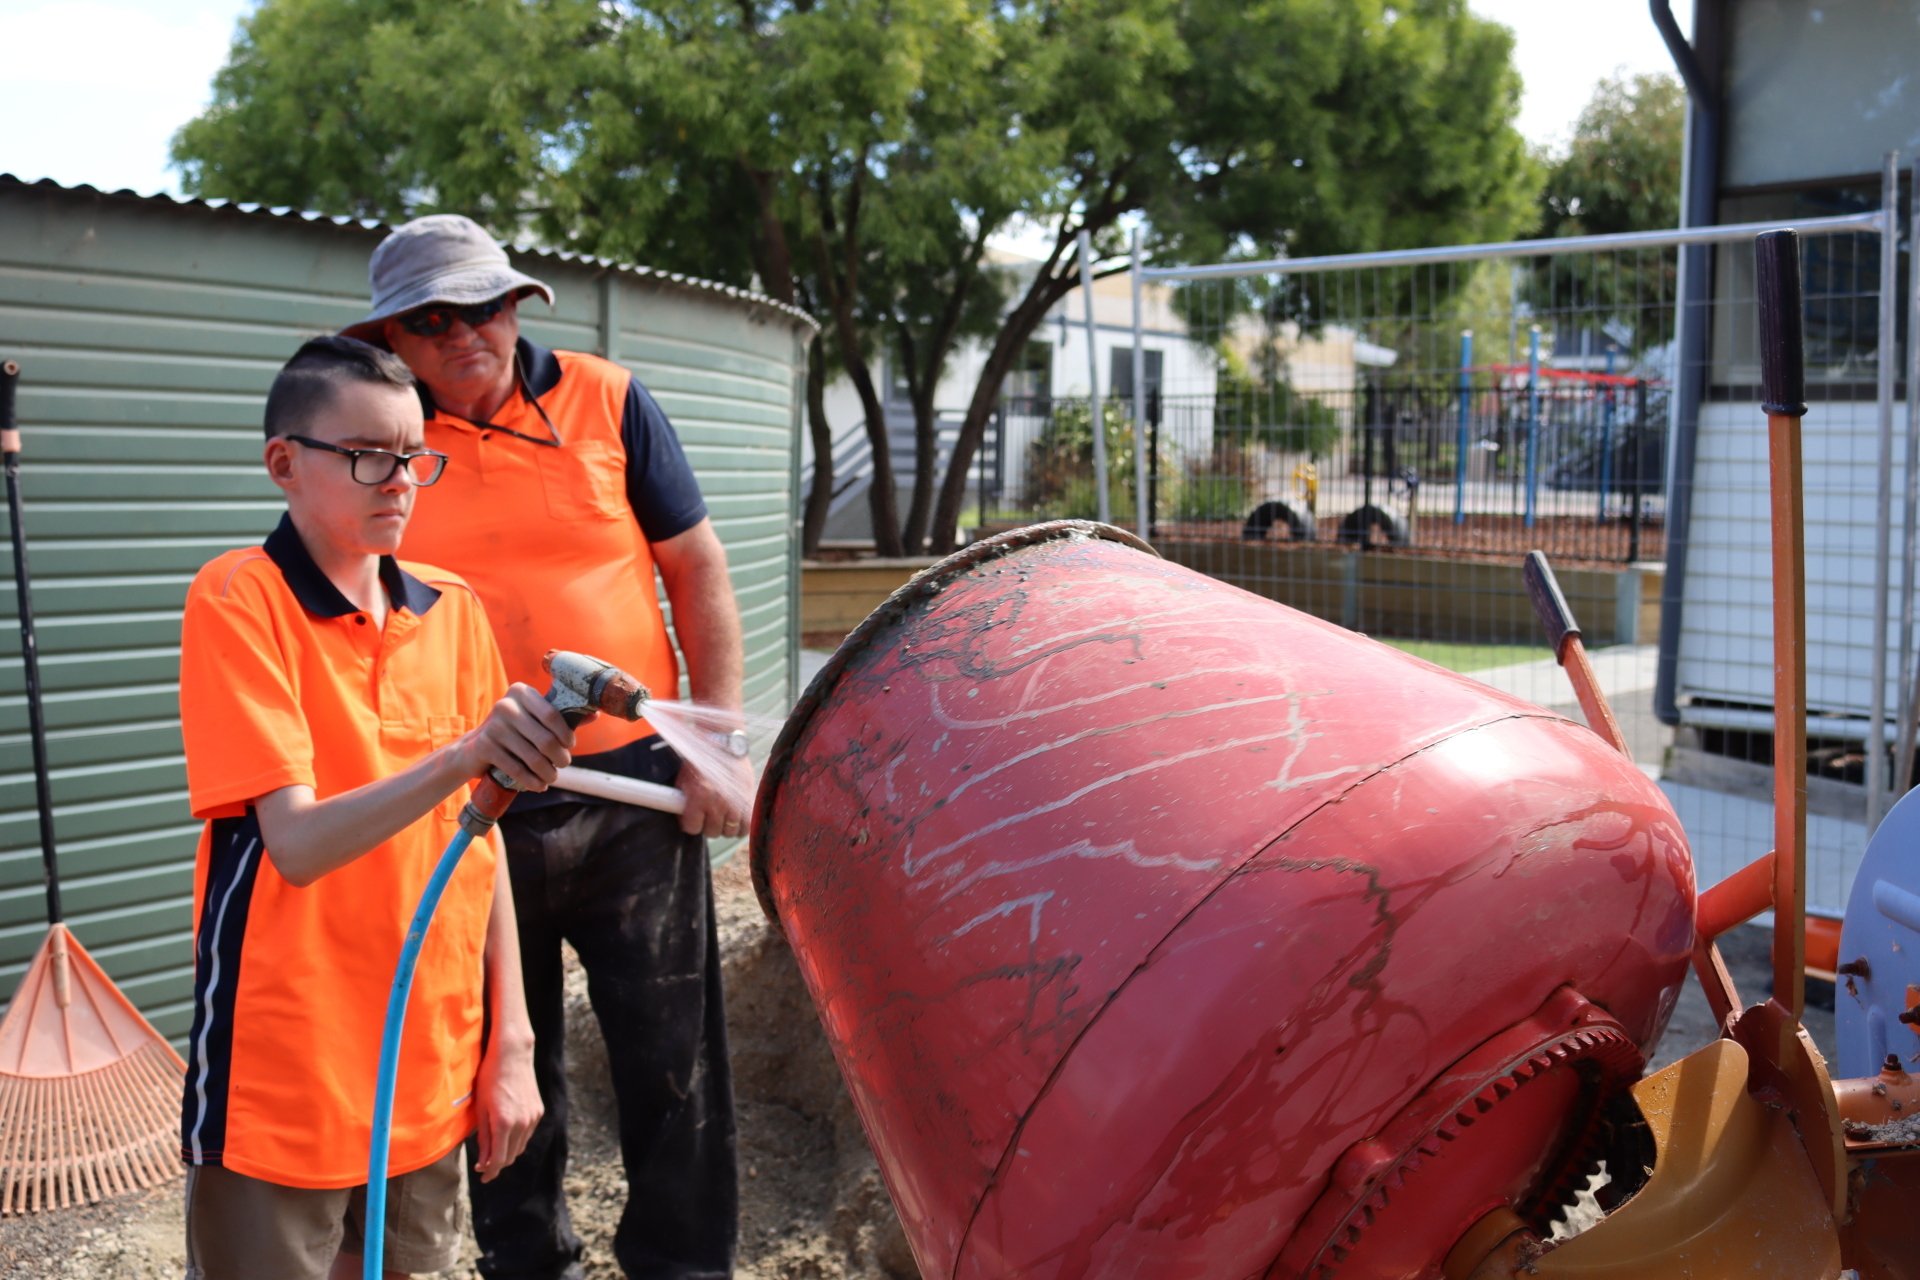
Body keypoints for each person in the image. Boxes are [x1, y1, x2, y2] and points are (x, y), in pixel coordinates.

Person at [343, 215, 749, 1280]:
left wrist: (713, 742)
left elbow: (697, 569)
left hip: (634, 794)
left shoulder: (608, 399)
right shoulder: (381, 438)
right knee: (501, 1076)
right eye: (430, 319)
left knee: (672, 1067)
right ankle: (529, 1267)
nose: (462, 332)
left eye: (481, 304)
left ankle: (685, 1269)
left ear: (518, 302)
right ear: (393, 333)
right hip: (472, 804)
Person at [177, 336, 577, 1280]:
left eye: (413, 456)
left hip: (427, 1071)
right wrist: (467, 754)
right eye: (367, 456)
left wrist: (509, 1042)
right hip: (286, 1082)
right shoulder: (242, 601)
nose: (398, 480)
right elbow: (300, 843)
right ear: (284, 463)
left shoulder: (456, 612)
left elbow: (480, 847)